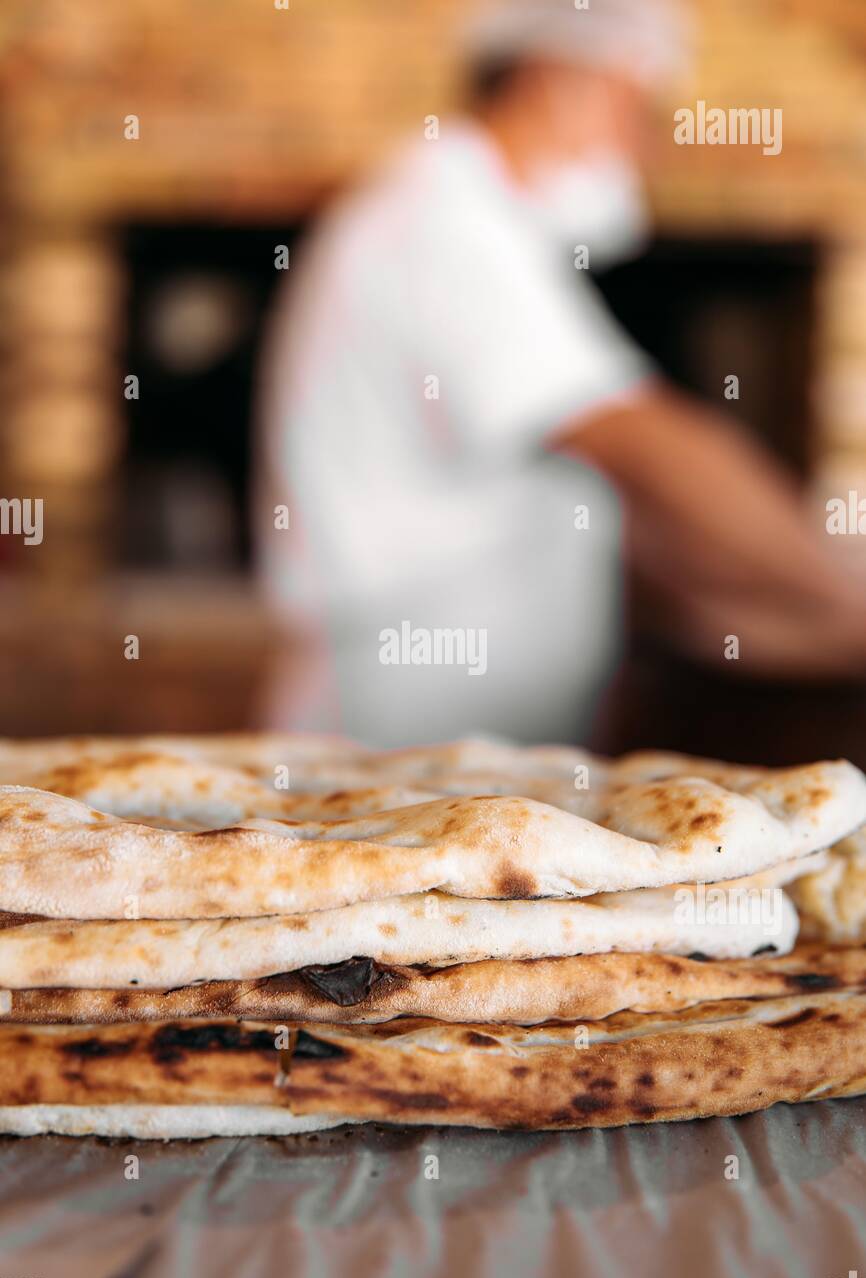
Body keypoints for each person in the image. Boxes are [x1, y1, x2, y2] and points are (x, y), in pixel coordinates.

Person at [256, 0, 866, 746]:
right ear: (561, 82)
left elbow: (606, 525)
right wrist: (846, 596)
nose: (646, 151)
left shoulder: (471, 220)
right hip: (404, 737)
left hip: (456, 742)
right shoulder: (445, 224)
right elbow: (647, 446)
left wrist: (805, 613)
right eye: (637, 112)